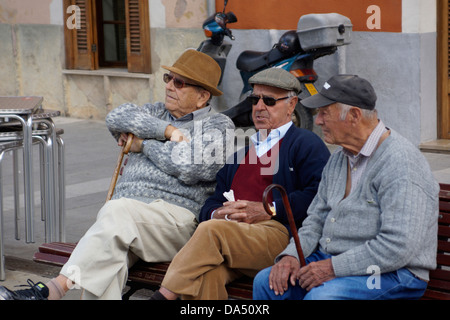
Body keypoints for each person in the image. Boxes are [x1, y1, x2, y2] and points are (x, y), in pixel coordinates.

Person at [0, 49, 235, 300]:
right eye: (168, 78)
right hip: (125, 224)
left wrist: (143, 144)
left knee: (115, 213)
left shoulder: (218, 125)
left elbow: (190, 166)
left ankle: (51, 290)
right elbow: (117, 117)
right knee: (110, 261)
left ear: (202, 96)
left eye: (179, 83)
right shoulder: (154, 112)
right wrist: (167, 131)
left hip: (174, 221)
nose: (169, 87)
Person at [253, 74, 440, 300]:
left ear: (354, 115)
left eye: (324, 113)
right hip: (336, 260)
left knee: (322, 297)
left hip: (392, 272)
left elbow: (397, 247)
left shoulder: (401, 162)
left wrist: (332, 268)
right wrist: (291, 255)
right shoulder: (339, 158)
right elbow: (315, 219)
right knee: (267, 282)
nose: (318, 120)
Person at [150, 68, 330, 300]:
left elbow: (318, 197)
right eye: (254, 99)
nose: (259, 107)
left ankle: (162, 297)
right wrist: (219, 213)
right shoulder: (240, 154)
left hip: (277, 236)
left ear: (291, 104)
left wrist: (267, 209)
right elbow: (211, 202)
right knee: (206, 274)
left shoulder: (305, 143)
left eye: (270, 100)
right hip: (230, 237)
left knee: (210, 231)